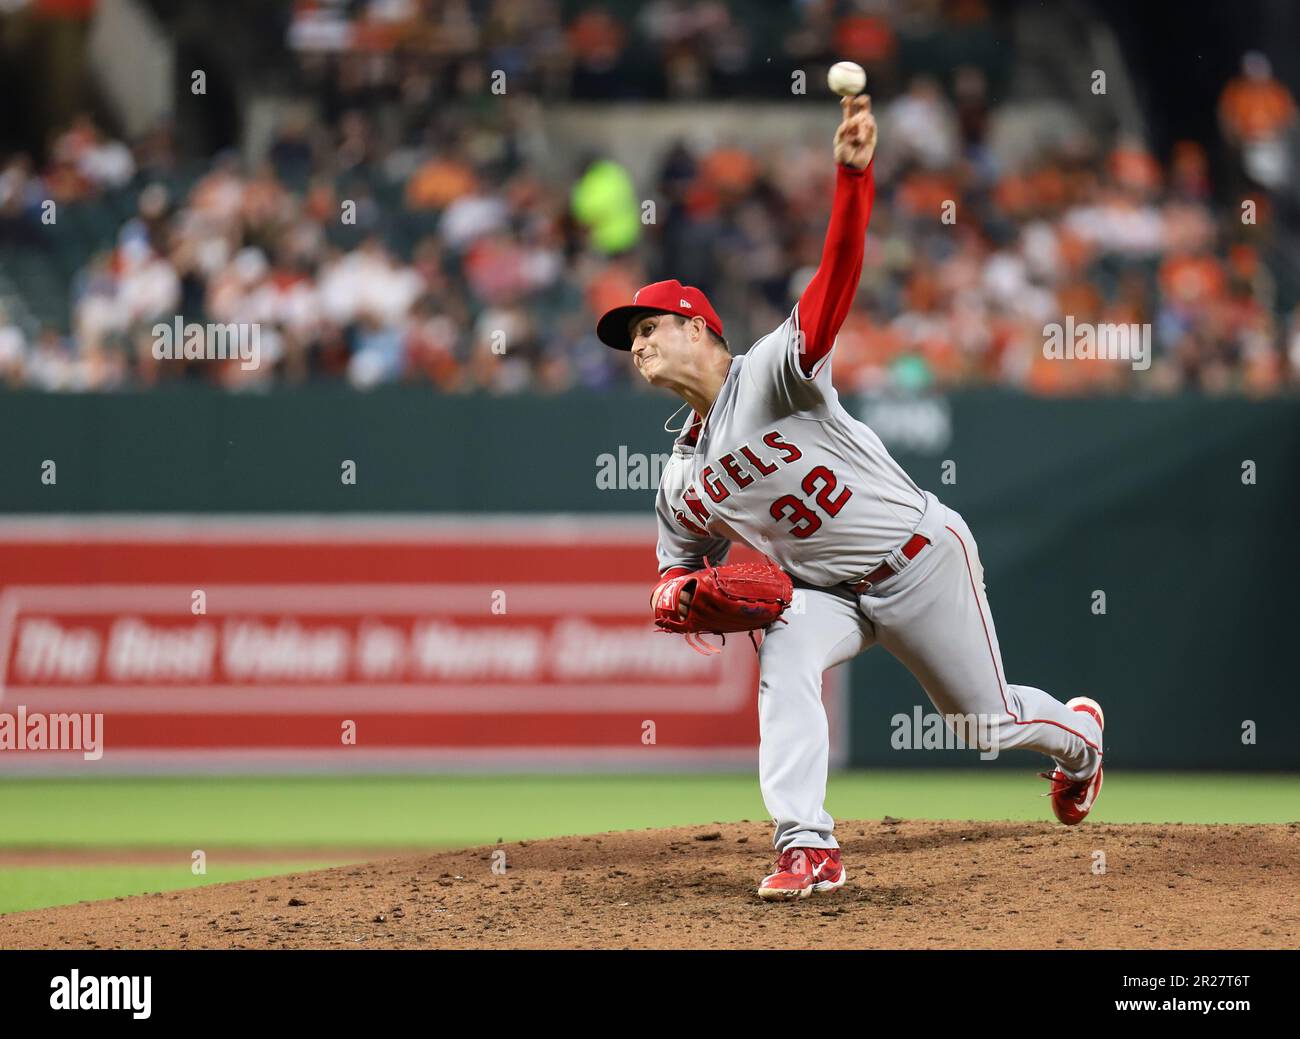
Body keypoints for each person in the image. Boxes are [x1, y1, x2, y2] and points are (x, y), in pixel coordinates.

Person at [595, 96, 1105, 901]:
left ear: (700, 328)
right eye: (630, 341)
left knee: (985, 724)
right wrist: (683, 593)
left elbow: (835, 279)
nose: (639, 345)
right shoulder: (679, 478)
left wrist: (853, 178)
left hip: (917, 559)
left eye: (651, 326)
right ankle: (806, 844)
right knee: (784, 648)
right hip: (825, 593)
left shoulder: (770, 374)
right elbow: (669, 573)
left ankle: (1079, 739)